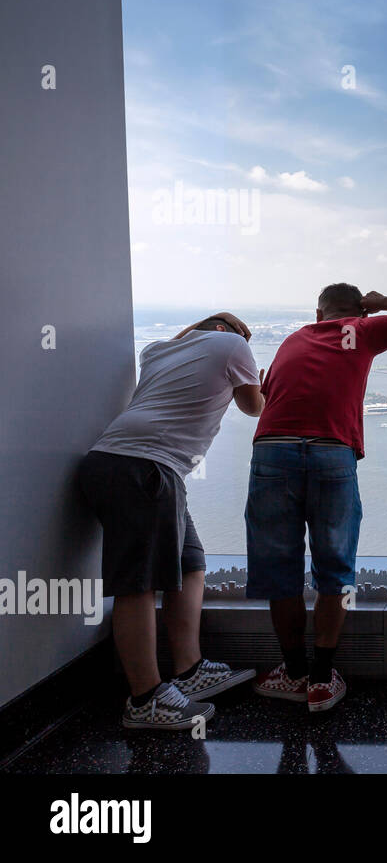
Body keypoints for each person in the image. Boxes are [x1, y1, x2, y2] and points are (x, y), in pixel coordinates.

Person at [247, 284, 387, 713]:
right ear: (358, 310)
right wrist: (383, 305)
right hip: (331, 451)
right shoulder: (362, 329)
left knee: (279, 569)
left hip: (273, 450)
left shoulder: (294, 338)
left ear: (318, 312)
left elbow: (265, 401)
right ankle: (321, 680)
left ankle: (294, 672)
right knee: (334, 567)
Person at [77, 311, 264, 730]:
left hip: (127, 464)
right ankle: (145, 700)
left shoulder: (158, 352)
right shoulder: (233, 345)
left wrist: (211, 321)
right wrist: (263, 384)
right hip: (144, 468)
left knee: (190, 563)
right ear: (225, 332)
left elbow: (190, 338)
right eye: (243, 334)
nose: (246, 340)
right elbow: (254, 407)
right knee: (137, 585)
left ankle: (189, 670)